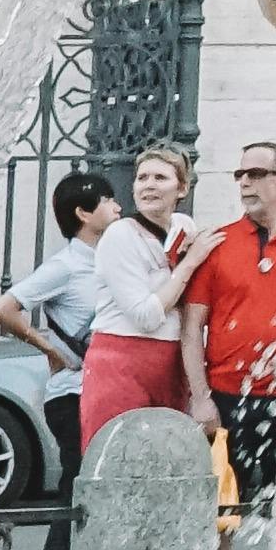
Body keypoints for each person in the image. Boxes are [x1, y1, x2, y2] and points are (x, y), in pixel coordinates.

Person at [177, 141, 276, 531]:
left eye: (256, 174)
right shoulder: (217, 243)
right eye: (240, 175)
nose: (244, 183)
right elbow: (190, 326)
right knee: (228, 506)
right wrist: (200, 398)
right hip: (230, 395)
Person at [74, 143, 210, 445]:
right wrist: (189, 263)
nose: (149, 185)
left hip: (171, 362)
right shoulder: (120, 234)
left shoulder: (183, 227)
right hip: (122, 359)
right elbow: (145, 316)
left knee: (166, 461)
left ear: (182, 188)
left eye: (160, 178)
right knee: (119, 458)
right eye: (142, 177)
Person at [0, 163, 118, 474]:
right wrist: (50, 349)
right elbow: (3, 309)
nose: (117, 207)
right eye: (107, 199)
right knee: (77, 487)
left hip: (106, 390)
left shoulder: (112, 259)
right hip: (74, 395)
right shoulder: (66, 266)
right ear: (83, 214)